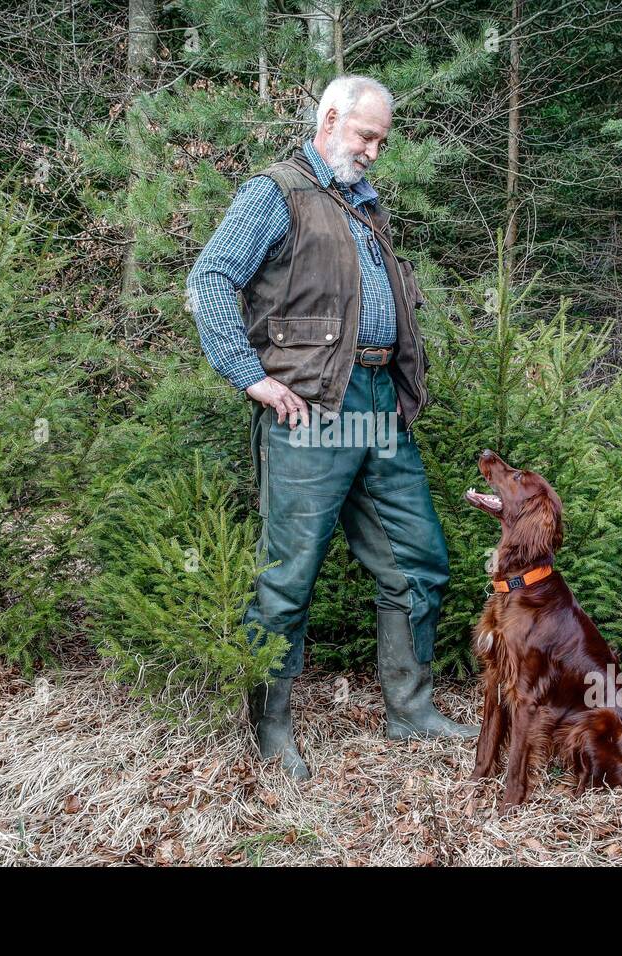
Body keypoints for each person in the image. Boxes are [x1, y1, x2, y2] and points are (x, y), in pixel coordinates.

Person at [186, 74, 477, 780]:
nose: (373, 150)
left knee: (418, 559)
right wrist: (249, 375)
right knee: (288, 576)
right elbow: (210, 278)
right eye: (365, 136)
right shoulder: (276, 192)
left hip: (380, 406)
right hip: (312, 410)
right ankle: (270, 729)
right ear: (329, 119)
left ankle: (410, 711)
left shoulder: (362, 206)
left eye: (381, 141)